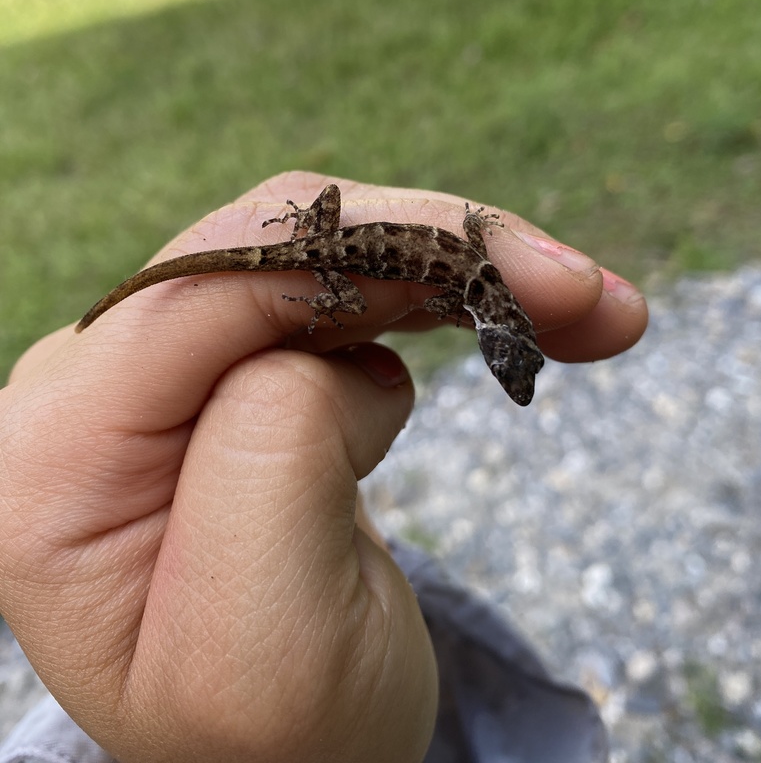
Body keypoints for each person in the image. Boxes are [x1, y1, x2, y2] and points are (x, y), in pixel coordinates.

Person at [0, 173, 648, 763]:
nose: (513, 377)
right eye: (512, 365)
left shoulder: (479, 270)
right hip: (332, 258)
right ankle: (318, 284)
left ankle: (313, 261)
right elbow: (459, 270)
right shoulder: (472, 284)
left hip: (331, 246)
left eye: (514, 368)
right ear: (502, 330)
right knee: (319, 288)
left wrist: (454, 237)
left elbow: (473, 234)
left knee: (319, 258)